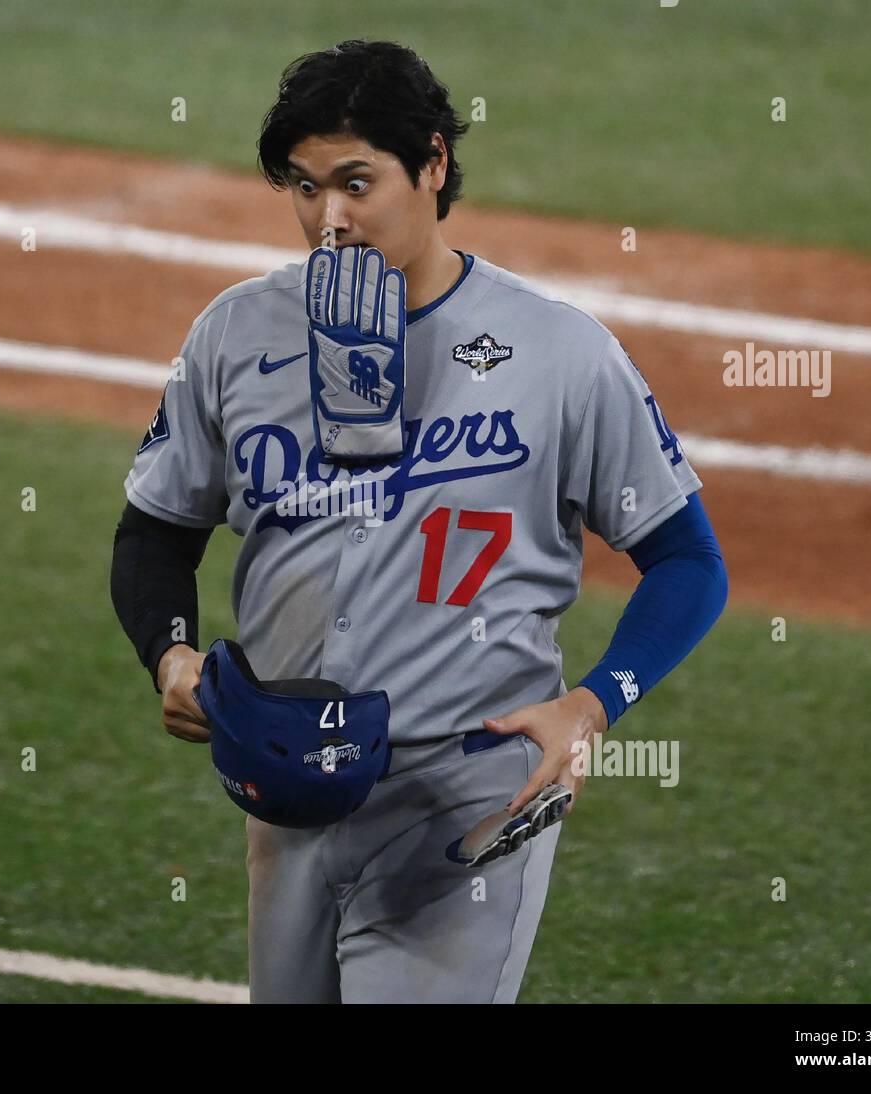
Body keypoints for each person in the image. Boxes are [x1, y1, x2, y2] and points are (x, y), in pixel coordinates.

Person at [112, 39, 728, 1003]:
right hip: (287, 790)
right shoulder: (234, 334)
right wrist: (171, 654)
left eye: (357, 182)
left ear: (434, 164)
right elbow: (154, 531)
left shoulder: (559, 353)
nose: (329, 219)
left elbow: (688, 559)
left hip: (468, 798)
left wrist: (595, 701)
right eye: (306, 188)